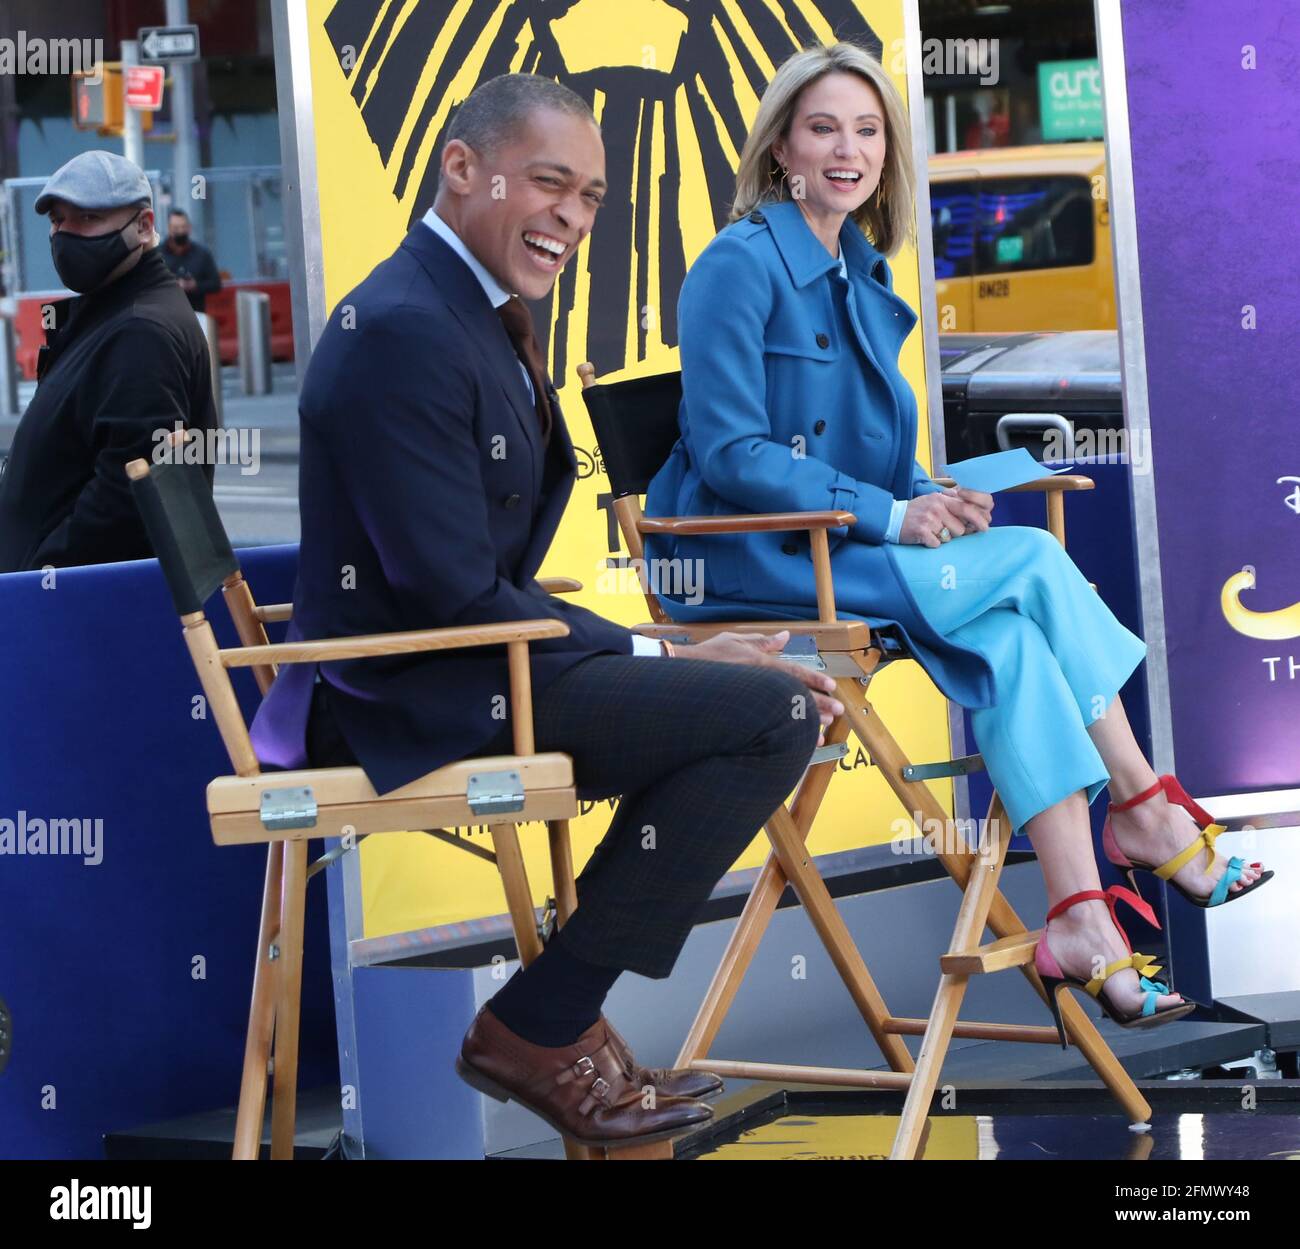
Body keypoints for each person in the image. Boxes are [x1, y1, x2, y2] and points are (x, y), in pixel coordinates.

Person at [248, 73, 843, 1150]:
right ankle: (540, 1023)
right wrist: (674, 647)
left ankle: (552, 1014)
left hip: (475, 661)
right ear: (462, 169)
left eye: (592, 197)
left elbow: (475, 584)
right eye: (549, 183)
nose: (572, 216)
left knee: (753, 704)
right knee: (768, 716)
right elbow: (448, 590)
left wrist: (682, 648)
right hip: (406, 695)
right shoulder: (401, 327)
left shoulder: (464, 310)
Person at [644, 42, 1273, 1039]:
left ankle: (1082, 924)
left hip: (849, 549)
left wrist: (932, 492)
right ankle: (1145, 804)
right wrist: (897, 516)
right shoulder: (737, 264)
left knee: (1016, 642)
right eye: (822, 129)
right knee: (1027, 563)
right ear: (779, 151)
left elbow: (865, 454)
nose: (847, 150)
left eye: (867, 130)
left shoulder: (856, 266)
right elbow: (730, 452)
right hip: (759, 565)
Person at [0, 151, 218, 573]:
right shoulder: (113, 312)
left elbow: (131, 491)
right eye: (58, 221)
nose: (64, 235)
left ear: (144, 226)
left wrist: (40, 570)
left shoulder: (142, 330)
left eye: (87, 219)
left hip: (77, 609)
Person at [159, 209, 222, 313]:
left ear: (189, 228)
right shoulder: (157, 254)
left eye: (183, 227)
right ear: (169, 229)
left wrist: (195, 286)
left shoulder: (202, 254)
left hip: (196, 315)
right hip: (165, 316)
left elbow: (216, 284)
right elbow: (148, 285)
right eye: (176, 228)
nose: (180, 231)